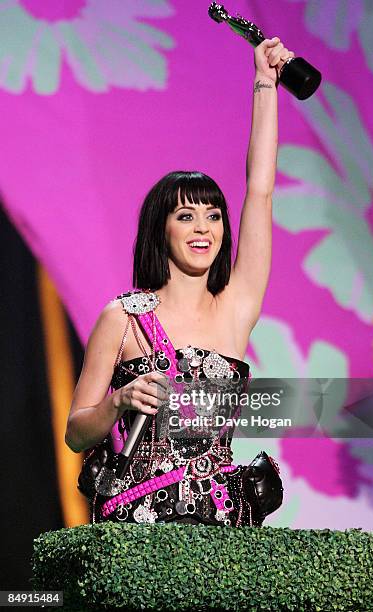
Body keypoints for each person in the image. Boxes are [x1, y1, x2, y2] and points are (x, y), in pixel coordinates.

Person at [65, 38, 293, 526]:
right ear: (159, 229)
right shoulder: (123, 318)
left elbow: (261, 189)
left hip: (223, 523)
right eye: (185, 216)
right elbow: (76, 432)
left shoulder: (236, 307)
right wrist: (119, 401)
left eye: (213, 216)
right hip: (138, 519)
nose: (203, 228)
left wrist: (265, 84)